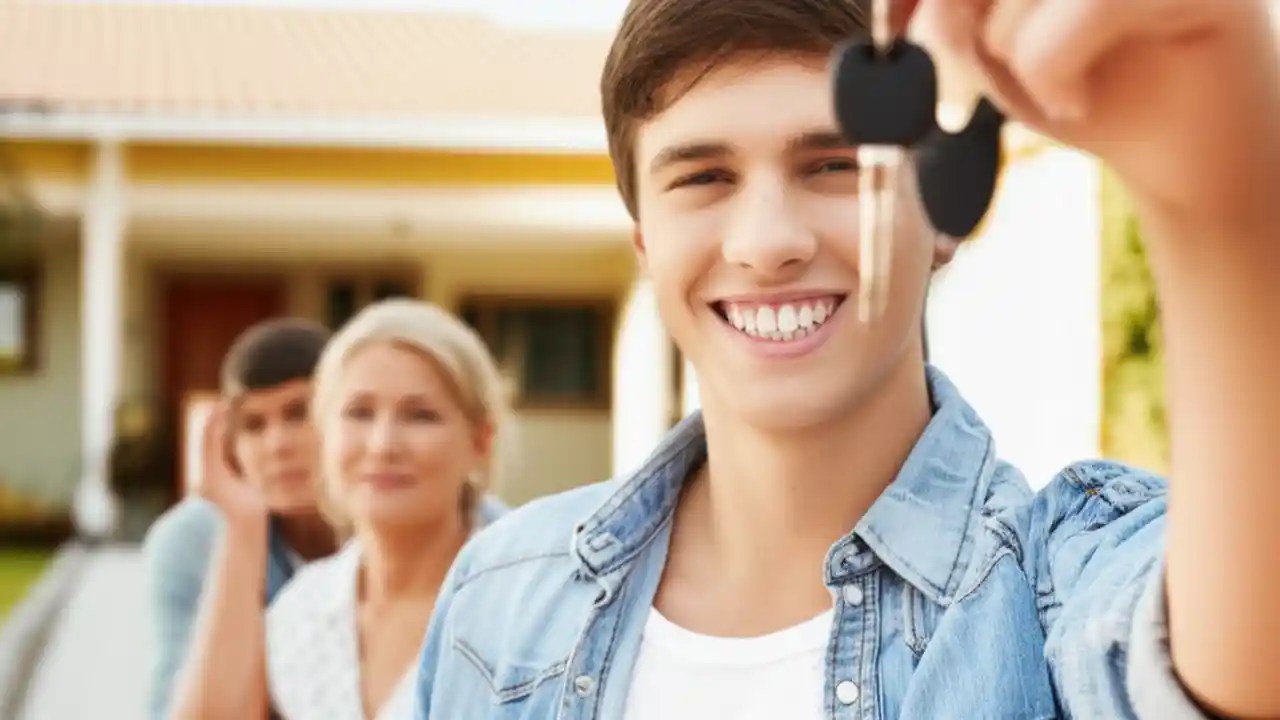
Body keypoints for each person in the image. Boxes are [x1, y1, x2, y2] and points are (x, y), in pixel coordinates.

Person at [412, 0, 1280, 718]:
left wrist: (1221, 190)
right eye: (703, 178)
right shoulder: (498, 597)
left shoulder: (1063, 582)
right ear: (645, 241)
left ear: (943, 213)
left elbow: (1238, 662)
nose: (768, 243)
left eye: (833, 165)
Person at [265, 299, 509, 720]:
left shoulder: (529, 609)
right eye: (359, 413)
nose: (382, 445)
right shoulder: (297, 613)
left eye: (420, 416)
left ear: (480, 441)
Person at [143, 318, 338, 720]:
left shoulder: (448, 522)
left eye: (299, 413)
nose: (277, 444)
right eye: (253, 425)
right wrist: (244, 530)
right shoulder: (190, 539)